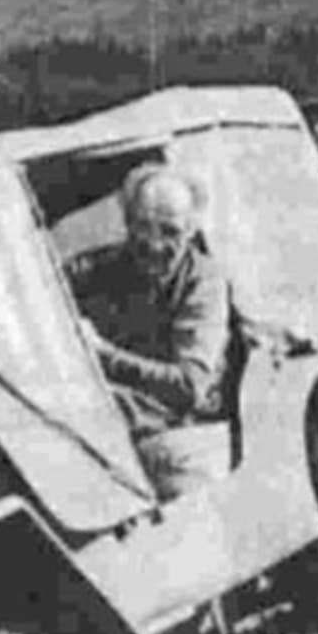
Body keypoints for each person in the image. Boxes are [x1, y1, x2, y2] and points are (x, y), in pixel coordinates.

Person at [67, 162, 232, 499]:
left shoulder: (204, 282)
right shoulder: (96, 268)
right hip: (108, 406)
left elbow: (189, 387)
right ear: (127, 223)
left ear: (191, 231)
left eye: (170, 231)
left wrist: (103, 354)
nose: (154, 244)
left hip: (172, 418)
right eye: (143, 227)